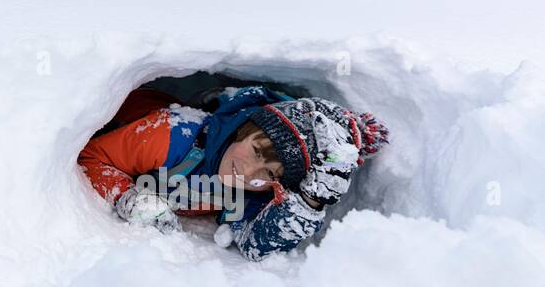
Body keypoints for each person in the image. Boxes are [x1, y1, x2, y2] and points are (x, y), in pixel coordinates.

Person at [78, 84, 389, 260]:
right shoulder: (169, 134)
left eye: (270, 173)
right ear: (243, 130)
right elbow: (91, 156)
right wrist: (127, 195)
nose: (249, 172)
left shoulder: (256, 190)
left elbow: (255, 243)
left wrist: (310, 201)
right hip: (125, 117)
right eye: (255, 151)